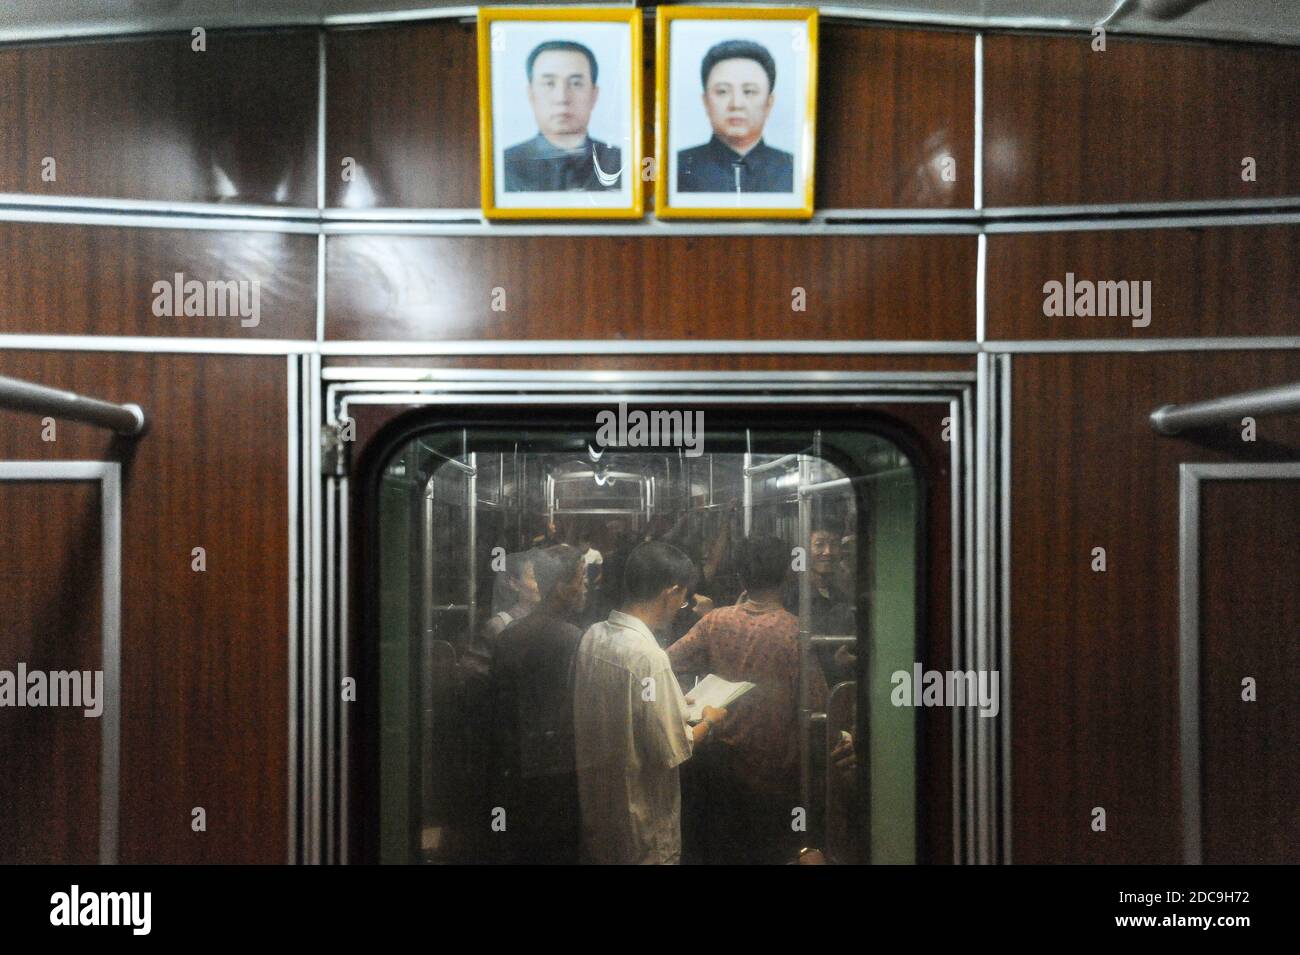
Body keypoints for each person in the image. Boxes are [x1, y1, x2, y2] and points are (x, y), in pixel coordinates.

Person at [669, 536, 828, 864]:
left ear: (741, 577)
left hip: (715, 770)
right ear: (788, 575)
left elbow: (666, 663)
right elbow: (818, 706)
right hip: (771, 782)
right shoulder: (794, 633)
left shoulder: (716, 621)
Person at [572, 541, 725, 864]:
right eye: (682, 600)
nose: (680, 606)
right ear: (671, 592)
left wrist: (672, 702)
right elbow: (671, 749)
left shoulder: (593, 636)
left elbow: (622, 705)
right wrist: (710, 720)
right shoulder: (649, 657)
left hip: (599, 811)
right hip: (642, 824)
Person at [489, 545, 589, 863]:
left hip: (515, 767)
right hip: (559, 769)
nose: (585, 586)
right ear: (560, 587)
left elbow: (499, 707)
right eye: (581, 578)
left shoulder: (509, 636)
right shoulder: (572, 638)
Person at [677, 39, 794, 194]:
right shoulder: (676, 168)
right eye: (723, 91)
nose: (736, 104)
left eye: (749, 91)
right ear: (706, 102)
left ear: (769, 103)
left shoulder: (794, 169)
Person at [503, 40, 623, 192]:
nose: (562, 98)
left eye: (575, 83)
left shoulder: (620, 162)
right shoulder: (504, 165)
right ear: (531, 94)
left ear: (594, 95)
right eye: (549, 83)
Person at [784, 524, 856, 684]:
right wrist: (835, 665)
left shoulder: (841, 597)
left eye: (834, 544)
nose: (828, 552)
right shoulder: (793, 597)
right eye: (819, 544)